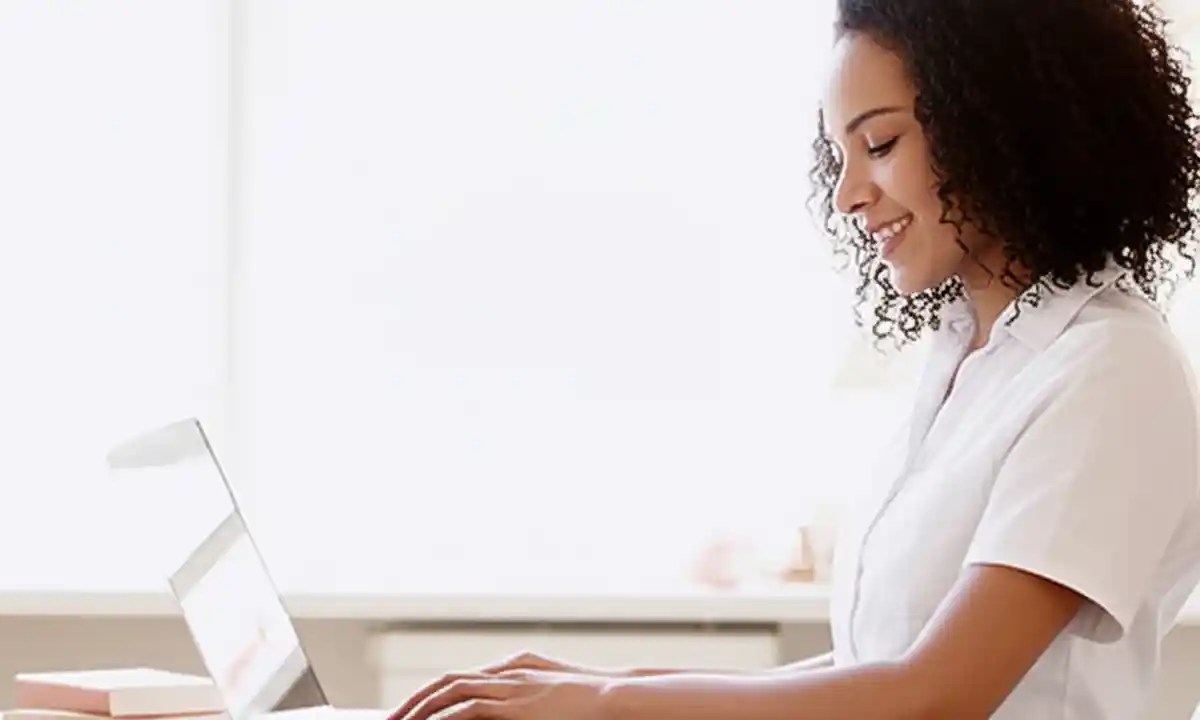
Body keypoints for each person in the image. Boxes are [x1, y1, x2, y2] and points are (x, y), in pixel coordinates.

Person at [384, 0, 1200, 717]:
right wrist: (595, 687)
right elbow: (868, 673)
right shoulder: (971, 356)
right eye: (839, 154)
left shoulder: (1113, 372)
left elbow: (934, 697)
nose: (847, 193)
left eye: (879, 142)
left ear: (1001, 119)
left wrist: (607, 703)